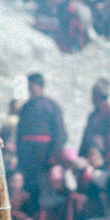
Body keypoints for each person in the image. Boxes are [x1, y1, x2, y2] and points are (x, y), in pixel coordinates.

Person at [16, 72, 67, 211]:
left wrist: (54, 156)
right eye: (29, 86)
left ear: (40, 86)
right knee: (29, 187)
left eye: (33, 86)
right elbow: (20, 133)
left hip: (45, 156)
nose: (31, 89)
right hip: (28, 156)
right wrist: (19, 153)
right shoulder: (26, 107)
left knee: (45, 189)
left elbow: (60, 133)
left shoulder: (52, 106)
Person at [79, 80, 110, 163]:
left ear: (99, 96)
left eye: (93, 96)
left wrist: (102, 150)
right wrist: (81, 156)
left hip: (108, 159)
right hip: (91, 159)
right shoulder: (92, 115)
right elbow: (86, 137)